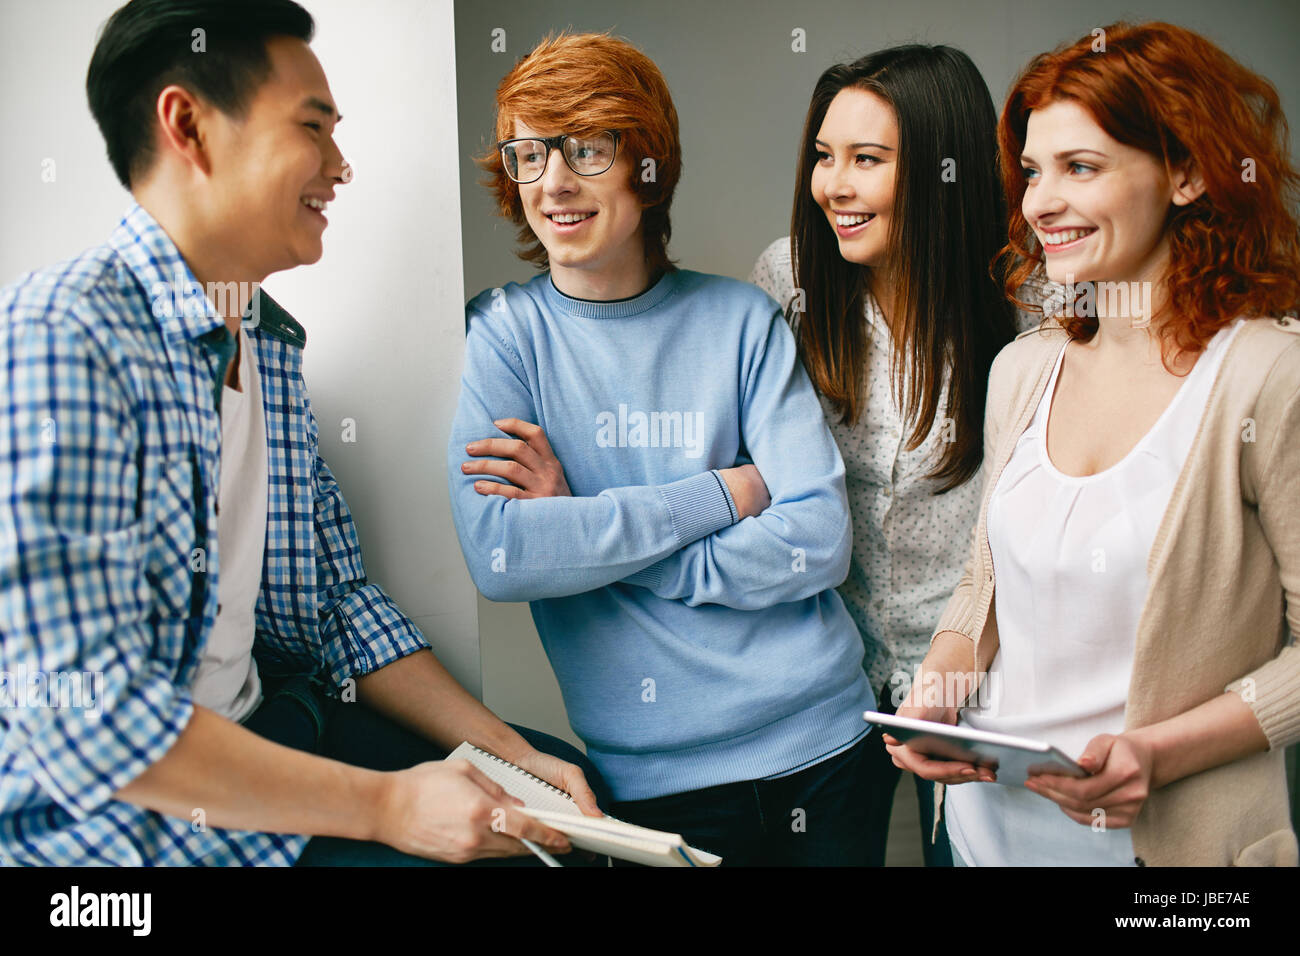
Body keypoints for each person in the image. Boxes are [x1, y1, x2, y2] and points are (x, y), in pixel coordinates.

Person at [0, 0, 604, 867]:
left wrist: (508, 749)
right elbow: (85, 721)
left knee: (559, 792)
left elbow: (333, 604)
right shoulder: (63, 339)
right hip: (129, 825)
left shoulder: (269, 347)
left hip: (276, 720)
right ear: (188, 126)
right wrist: (394, 807)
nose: (340, 166)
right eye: (312, 129)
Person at [447, 31, 878, 865]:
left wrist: (581, 526)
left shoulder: (741, 322)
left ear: (647, 164)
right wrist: (719, 496)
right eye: (529, 154)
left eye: (589, 150)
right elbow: (503, 556)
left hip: (826, 748)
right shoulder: (502, 335)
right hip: (652, 788)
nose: (555, 182)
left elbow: (818, 542)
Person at [885, 20, 1300, 866]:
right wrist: (936, 692)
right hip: (982, 837)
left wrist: (1157, 756)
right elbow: (984, 588)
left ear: (1185, 173)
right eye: (1034, 171)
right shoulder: (1024, 368)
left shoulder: (1267, 376)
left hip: (1166, 860)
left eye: (1082, 167)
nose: (1039, 202)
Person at [749, 44, 1048, 865]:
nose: (832, 185)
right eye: (823, 156)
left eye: (867, 160)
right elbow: (741, 457)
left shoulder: (1033, 300)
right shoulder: (790, 278)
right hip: (828, 670)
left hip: (985, 671)